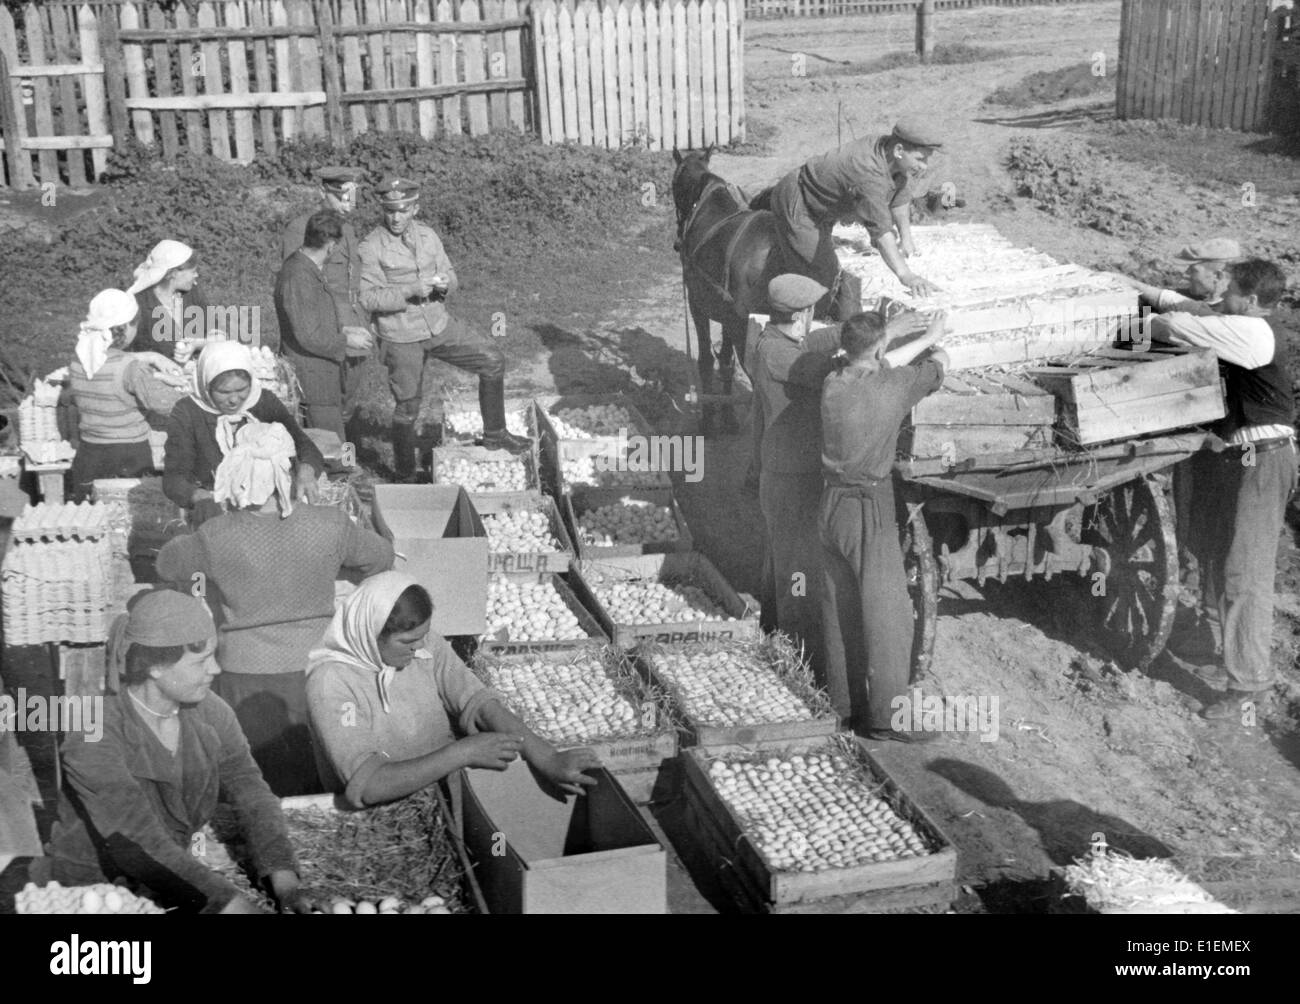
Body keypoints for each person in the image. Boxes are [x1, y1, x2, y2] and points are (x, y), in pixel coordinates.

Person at [37, 589, 314, 914]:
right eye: (200, 661)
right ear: (156, 667)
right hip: (92, 891)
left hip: (170, 885)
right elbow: (136, 839)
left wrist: (286, 884)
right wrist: (230, 904)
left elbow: (251, 792)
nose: (216, 669)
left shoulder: (210, 712)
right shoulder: (94, 727)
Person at [156, 420, 393, 796]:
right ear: (291, 471)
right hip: (319, 670)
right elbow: (381, 556)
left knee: (260, 783)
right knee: (321, 780)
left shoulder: (216, 535)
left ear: (235, 471)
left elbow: (167, 564)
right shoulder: (330, 524)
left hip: (243, 678)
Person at [306, 572, 600, 809]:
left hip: (440, 788)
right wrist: (463, 753)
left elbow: (478, 701)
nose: (420, 647)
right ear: (370, 635)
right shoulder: (333, 683)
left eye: (422, 637)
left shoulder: (425, 646)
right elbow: (370, 784)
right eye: (408, 642)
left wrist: (546, 757)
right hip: (382, 813)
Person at [1147, 259, 1296, 721]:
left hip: (1263, 460)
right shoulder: (1240, 323)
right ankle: (1220, 651)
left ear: (1250, 301)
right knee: (1214, 552)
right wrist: (1140, 289)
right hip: (1238, 457)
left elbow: (1179, 325)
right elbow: (1196, 308)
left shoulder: (1252, 334)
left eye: (1229, 291)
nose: (1221, 297)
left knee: (1243, 575)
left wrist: (1139, 315)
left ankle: (1249, 686)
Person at [819, 309, 949, 740]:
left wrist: (890, 337)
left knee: (840, 609)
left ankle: (841, 707)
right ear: (877, 348)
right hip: (867, 510)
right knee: (889, 615)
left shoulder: (834, 382)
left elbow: (878, 364)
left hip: (830, 506)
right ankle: (887, 720)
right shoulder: (893, 387)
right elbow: (937, 367)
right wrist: (935, 337)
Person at [358, 177, 530, 480]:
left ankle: (495, 433)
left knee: (492, 361)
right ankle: (406, 473)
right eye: (389, 211)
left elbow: (450, 273)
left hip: (438, 324)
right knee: (408, 405)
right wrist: (412, 289)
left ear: (415, 208)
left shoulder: (428, 236)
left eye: (402, 210)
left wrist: (446, 283)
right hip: (401, 336)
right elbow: (368, 298)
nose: (396, 218)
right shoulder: (371, 246)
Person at [748, 274, 844, 678]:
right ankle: (797, 653)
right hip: (792, 476)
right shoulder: (779, 356)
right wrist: (881, 338)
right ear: (803, 314)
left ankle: (772, 625)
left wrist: (856, 328)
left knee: (782, 556)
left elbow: (816, 344)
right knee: (798, 567)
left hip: (782, 471)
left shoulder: (774, 340)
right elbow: (833, 367)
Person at [759, 119, 945, 319]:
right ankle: (815, 325)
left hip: (826, 203)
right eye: (920, 159)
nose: (924, 166)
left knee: (823, 265)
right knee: (824, 274)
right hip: (801, 202)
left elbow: (900, 198)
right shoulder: (868, 173)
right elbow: (881, 233)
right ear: (899, 150)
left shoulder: (889, 151)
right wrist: (906, 276)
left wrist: (906, 238)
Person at [162, 341, 323, 525]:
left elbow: (304, 444)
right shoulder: (188, 412)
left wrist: (307, 470)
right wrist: (199, 496)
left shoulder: (264, 403)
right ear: (206, 386)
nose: (234, 400)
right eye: (223, 392)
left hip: (266, 505)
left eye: (241, 390)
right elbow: (174, 477)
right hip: (217, 507)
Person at [278, 166, 374, 443]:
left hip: (355, 318)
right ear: (322, 193)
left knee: (348, 394)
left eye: (351, 196)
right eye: (340, 196)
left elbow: (353, 274)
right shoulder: (302, 228)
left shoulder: (348, 228)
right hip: (327, 323)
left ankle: (341, 447)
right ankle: (333, 454)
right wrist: (340, 331)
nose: (347, 203)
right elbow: (300, 282)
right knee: (324, 398)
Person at [66, 289, 185, 501]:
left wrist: (150, 357)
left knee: (94, 516)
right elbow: (166, 405)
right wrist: (183, 389)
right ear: (127, 327)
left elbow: (106, 361)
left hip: (89, 454)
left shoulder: (79, 360)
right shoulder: (131, 369)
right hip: (127, 455)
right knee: (128, 516)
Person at [124, 240, 211, 363]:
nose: (196, 275)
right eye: (193, 271)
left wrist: (197, 344)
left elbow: (219, 333)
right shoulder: (139, 304)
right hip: (154, 378)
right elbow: (120, 356)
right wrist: (154, 359)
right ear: (174, 274)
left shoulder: (192, 293)